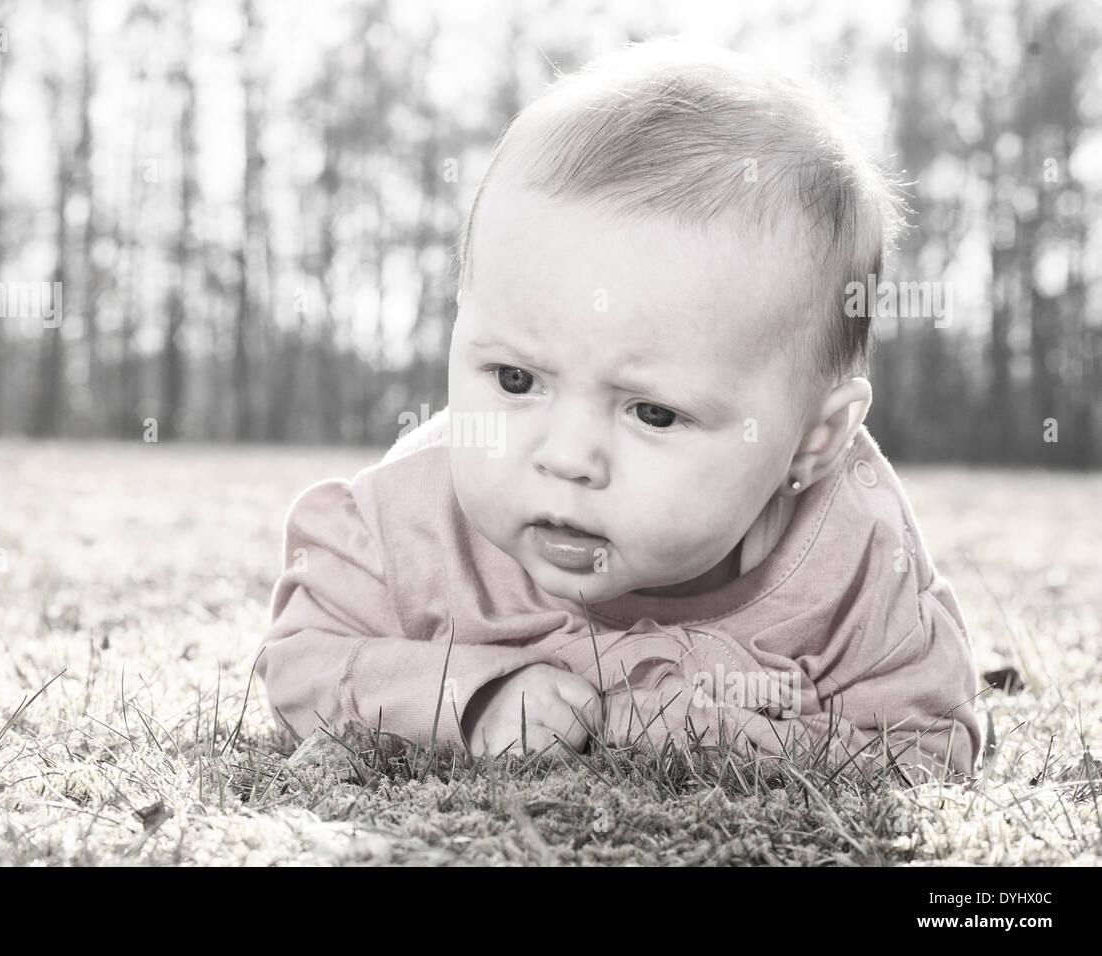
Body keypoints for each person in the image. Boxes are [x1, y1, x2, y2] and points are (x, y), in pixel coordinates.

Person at [255, 36, 983, 782]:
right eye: (514, 379)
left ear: (814, 440)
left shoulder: (852, 554)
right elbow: (301, 659)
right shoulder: (410, 522)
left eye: (653, 414)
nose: (566, 456)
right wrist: (469, 700)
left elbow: (931, 745)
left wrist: (728, 742)